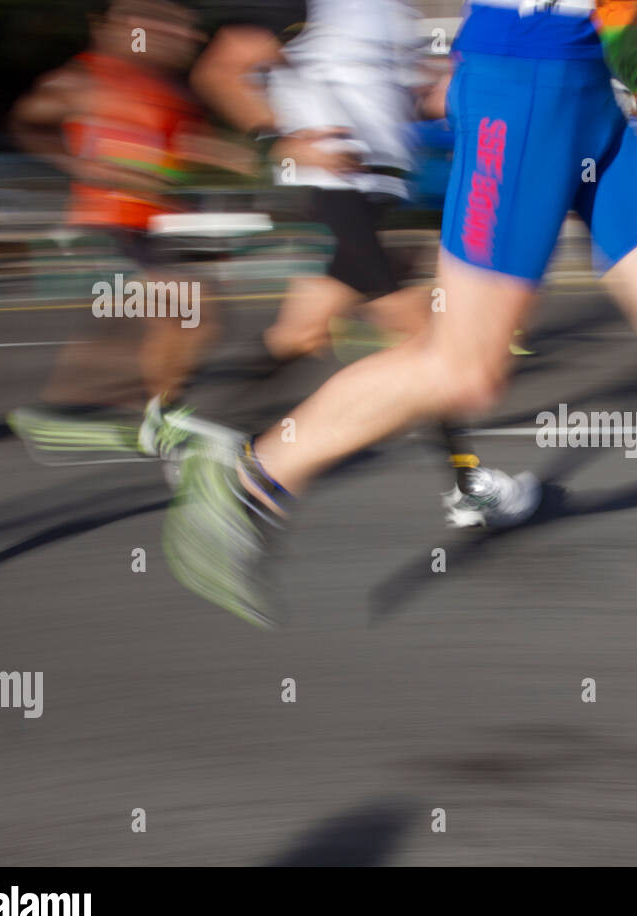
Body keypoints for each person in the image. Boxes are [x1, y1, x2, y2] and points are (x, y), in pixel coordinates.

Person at [165, 0, 637, 703]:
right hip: (529, 74)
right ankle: (247, 478)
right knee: (465, 368)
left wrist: (627, 65)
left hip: (588, 83)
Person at [190, 0, 539, 526]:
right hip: (333, 189)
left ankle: (194, 435)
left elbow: (415, 99)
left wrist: (497, 94)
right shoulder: (305, 4)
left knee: (300, 335)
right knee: (430, 340)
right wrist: (279, 139)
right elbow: (219, 71)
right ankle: (467, 487)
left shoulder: (398, 14)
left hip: (374, 194)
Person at [6, 0, 250, 465]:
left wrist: (222, 152)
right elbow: (28, 124)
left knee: (187, 322)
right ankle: (126, 418)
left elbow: (179, 147)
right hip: (107, 222)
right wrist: (86, 166)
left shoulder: (167, 91)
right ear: (109, 26)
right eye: (151, 22)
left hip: (154, 227)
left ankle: (152, 416)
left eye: (177, 25)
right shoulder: (83, 79)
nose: (170, 34)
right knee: (191, 312)